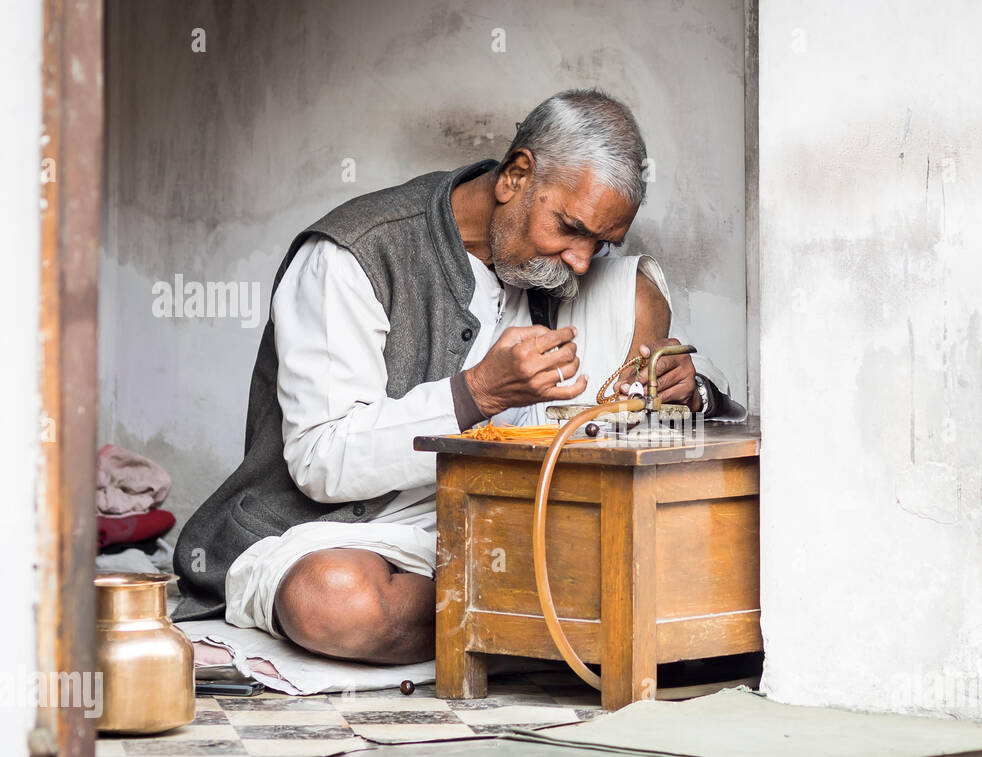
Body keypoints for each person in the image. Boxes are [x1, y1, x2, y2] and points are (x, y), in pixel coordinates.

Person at [173, 89, 741, 665]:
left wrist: (692, 390)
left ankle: (528, 616)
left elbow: (659, 355)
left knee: (638, 285)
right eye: (569, 228)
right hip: (334, 530)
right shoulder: (352, 255)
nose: (578, 260)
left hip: (486, 520)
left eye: (599, 242)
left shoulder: (560, 269)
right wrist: (479, 393)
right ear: (515, 176)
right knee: (335, 601)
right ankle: (555, 618)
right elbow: (322, 460)